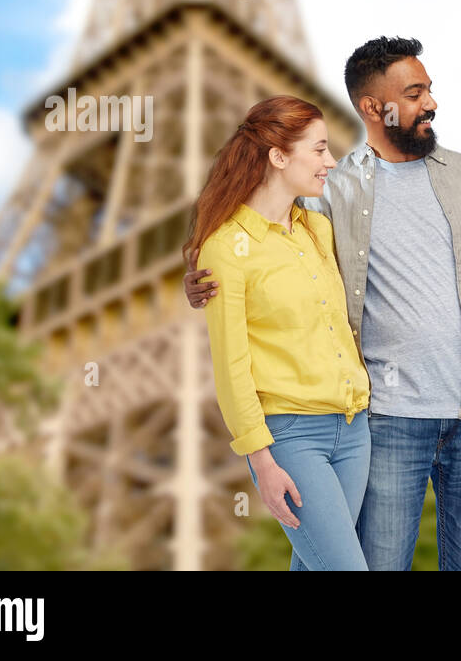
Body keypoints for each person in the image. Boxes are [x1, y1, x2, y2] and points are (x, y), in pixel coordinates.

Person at [186, 37, 461, 571]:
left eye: (429, 90)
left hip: (431, 415)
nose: (431, 102)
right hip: (368, 419)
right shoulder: (326, 196)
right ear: (373, 106)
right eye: (415, 92)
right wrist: (203, 277)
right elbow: (240, 308)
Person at [184, 95, 371, 570]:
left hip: (354, 429)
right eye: (320, 149)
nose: (331, 161)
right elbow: (231, 367)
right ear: (278, 155)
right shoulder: (226, 249)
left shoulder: (319, 229)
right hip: (291, 435)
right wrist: (261, 462)